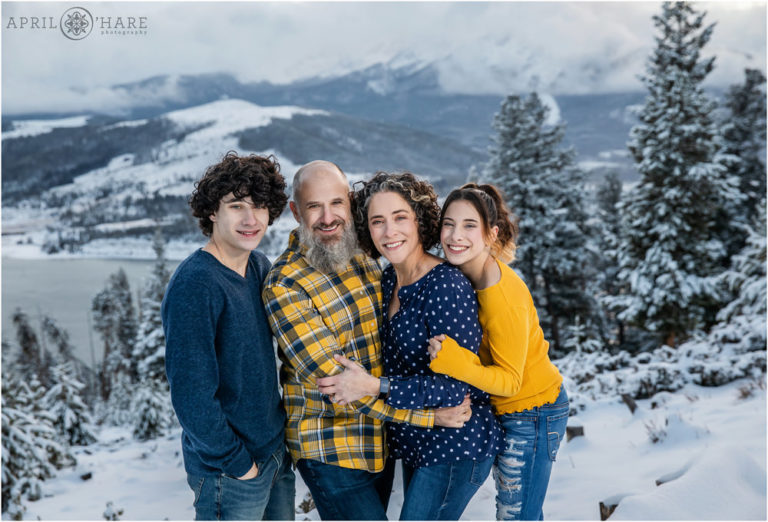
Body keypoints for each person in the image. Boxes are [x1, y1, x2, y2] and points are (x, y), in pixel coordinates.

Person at [262, 161, 471, 521]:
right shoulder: (285, 284)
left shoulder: (363, 255)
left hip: (379, 441)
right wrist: (428, 417)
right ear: (296, 211)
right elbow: (342, 387)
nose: (328, 217)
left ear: (350, 203)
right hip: (330, 447)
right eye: (314, 206)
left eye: (337, 203)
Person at [316, 171, 503, 520]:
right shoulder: (388, 278)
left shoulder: (445, 285)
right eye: (377, 221)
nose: (390, 232)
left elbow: (456, 384)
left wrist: (374, 386)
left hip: (455, 442)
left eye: (400, 218)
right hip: (419, 435)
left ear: (420, 221)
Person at [162, 152, 295, 521]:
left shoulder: (258, 265)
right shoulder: (195, 284)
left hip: (274, 453)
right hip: (232, 472)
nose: (251, 219)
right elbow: (191, 396)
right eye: (236, 206)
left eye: (259, 206)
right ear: (212, 212)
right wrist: (238, 464)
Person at [427, 183, 569, 521]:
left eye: (469, 225)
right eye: (449, 223)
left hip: (532, 413)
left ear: (491, 235)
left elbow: (510, 382)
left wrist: (456, 363)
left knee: (516, 517)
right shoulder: (462, 274)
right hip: (505, 412)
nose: (454, 235)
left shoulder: (502, 298)